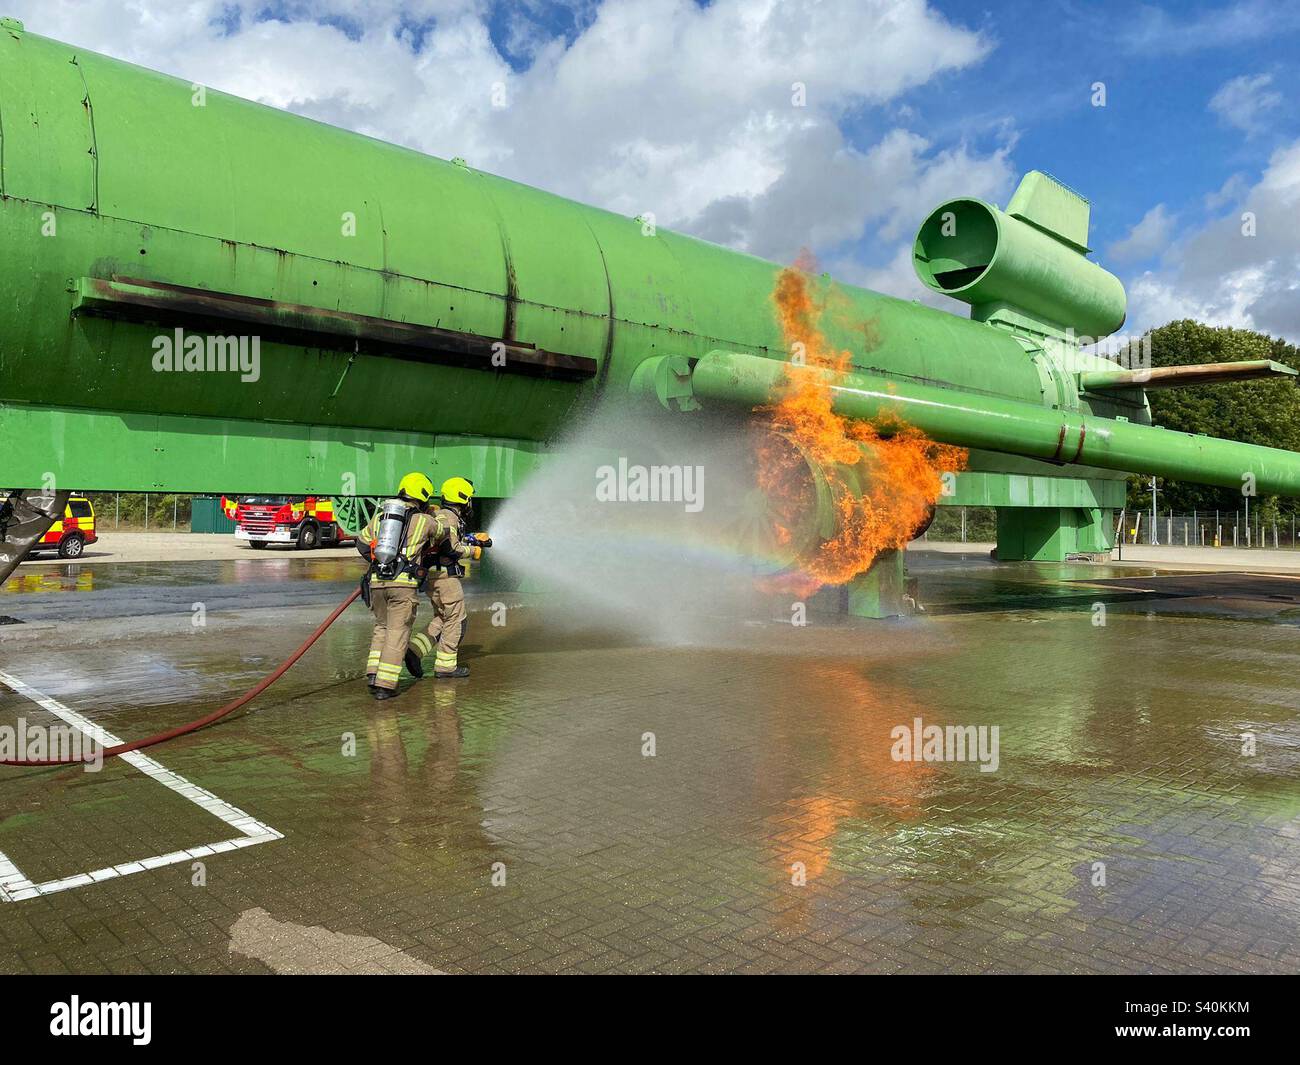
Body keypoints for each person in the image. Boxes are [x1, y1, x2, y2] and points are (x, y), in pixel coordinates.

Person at [357, 472, 440, 700]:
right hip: (403, 586)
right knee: (398, 632)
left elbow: (362, 544)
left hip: (376, 583)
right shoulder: (424, 520)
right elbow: (443, 536)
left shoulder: (382, 517)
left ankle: (373, 675)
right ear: (423, 496)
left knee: (381, 627)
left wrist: (381, 564)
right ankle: (385, 685)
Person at [407, 476, 491, 678]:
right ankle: (446, 667)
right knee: (457, 620)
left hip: (434, 576)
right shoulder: (449, 518)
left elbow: (449, 539)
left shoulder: (442, 515)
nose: (470, 502)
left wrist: (474, 538)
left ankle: (414, 651)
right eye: (469, 498)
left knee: (442, 617)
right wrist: (474, 551)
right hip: (445, 578)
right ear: (462, 498)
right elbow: (451, 549)